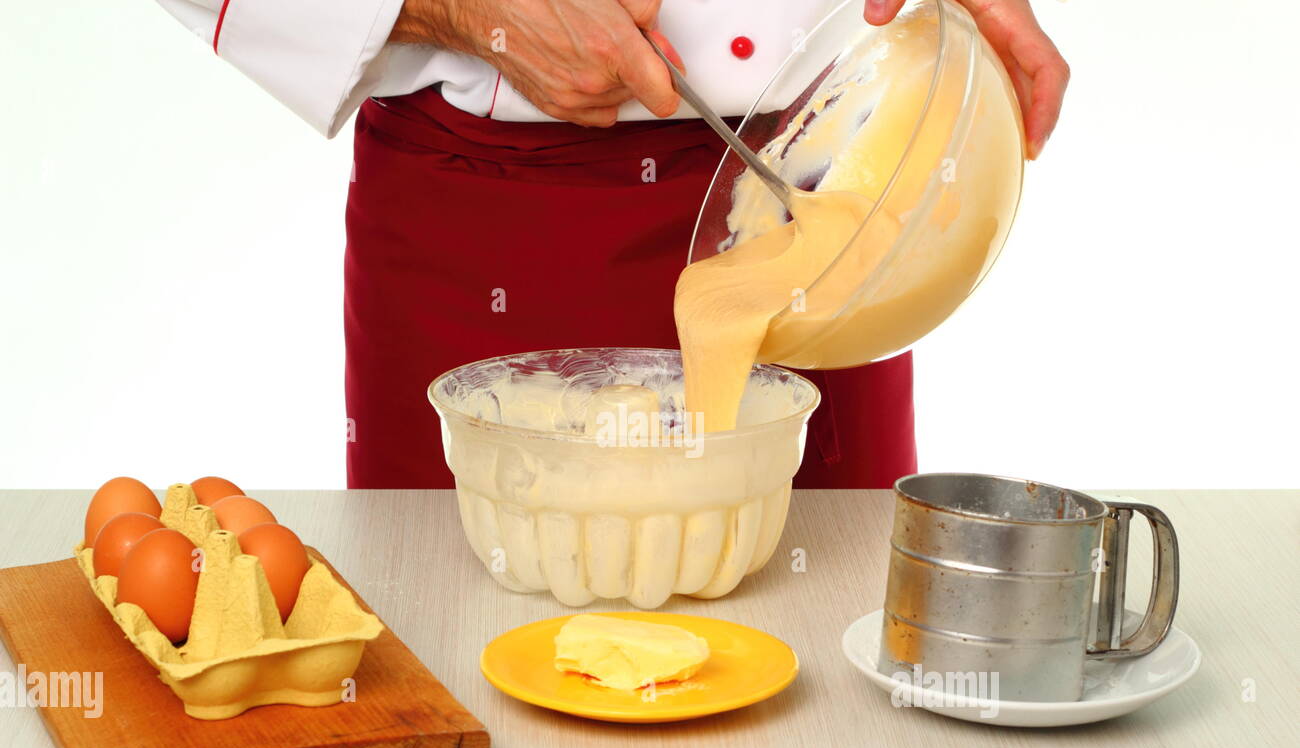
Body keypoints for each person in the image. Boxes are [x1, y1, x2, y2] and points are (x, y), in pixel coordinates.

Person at [157, 0, 1068, 489]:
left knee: (825, 736)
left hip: (820, 198)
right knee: (476, 706)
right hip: (496, 232)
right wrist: (458, 7)